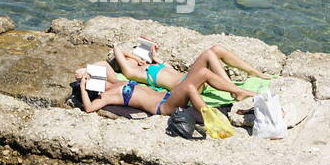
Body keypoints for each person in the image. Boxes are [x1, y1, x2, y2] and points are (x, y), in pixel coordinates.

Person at [108, 40, 265, 102]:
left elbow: (171, 70)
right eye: (127, 59)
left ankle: (250, 72)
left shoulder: (152, 66)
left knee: (215, 49)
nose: (132, 58)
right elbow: (117, 49)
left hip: (189, 78)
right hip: (185, 86)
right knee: (209, 54)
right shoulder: (133, 73)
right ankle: (236, 90)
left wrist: (155, 56)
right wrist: (130, 56)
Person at [73, 64, 222, 118]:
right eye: (92, 79)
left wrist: (85, 71)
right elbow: (89, 108)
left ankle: (235, 94)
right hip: (163, 106)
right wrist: (82, 87)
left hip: (168, 96)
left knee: (203, 73)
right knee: (190, 87)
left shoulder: (116, 83)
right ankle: (212, 119)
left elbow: (103, 64)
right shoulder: (106, 96)